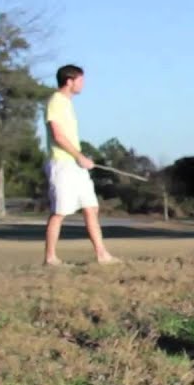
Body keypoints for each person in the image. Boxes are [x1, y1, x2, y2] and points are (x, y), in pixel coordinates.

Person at [41, 64, 119, 267]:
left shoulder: (67, 103)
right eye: (81, 80)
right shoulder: (56, 101)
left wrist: (81, 158)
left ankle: (102, 254)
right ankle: (50, 258)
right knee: (59, 212)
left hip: (75, 164)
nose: (83, 84)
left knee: (91, 207)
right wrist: (78, 156)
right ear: (69, 81)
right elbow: (58, 136)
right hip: (62, 163)